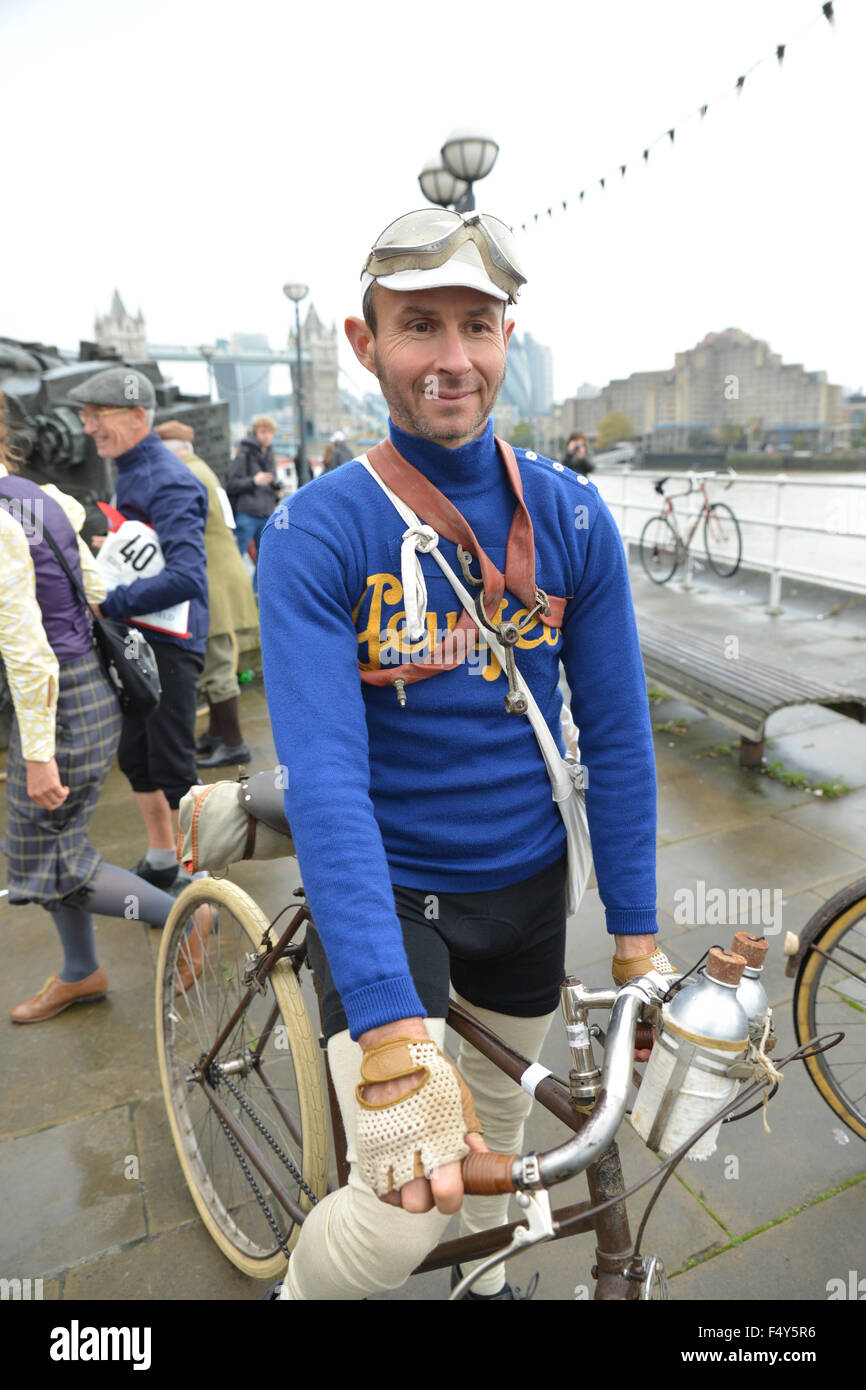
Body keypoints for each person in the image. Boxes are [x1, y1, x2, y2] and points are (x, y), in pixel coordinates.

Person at [257, 208, 664, 1302]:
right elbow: (328, 777)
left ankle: (483, 1287)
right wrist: (390, 1027)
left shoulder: (573, 515)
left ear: (506, 334)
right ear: (363, 341)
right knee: (400, 1211)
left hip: (529, 887)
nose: (451, 359)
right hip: (391, 893)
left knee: (501, 1135)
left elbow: (616, 735)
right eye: (418, 326)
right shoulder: (313, 530)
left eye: (475, 327)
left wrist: (635, 939)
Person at [0, 398, 209, 1022]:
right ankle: (80, 971)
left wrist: (38, 756)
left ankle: (184, 917)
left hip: (55, 704)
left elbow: (29, 651)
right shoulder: (44, 500)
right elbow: (94, 594)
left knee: (51, 858)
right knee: (51, 848)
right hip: (81, 691)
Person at [65, 368, 209, 894]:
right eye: (86, 416)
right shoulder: (130, 471)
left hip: (166, 644)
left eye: (96, 416)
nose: (87, 427)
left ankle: (200, 881)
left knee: (173, 766)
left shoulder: (165, 479)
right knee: (138, 757)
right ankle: (162, 859)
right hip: (138, 642)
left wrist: (110, 601)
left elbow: (187, 576)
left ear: (136, 416)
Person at [155, 420, 258, 767]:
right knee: (216, 658)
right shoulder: (198, 469)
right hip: (218, 575)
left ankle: (233, 743)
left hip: (212, 579)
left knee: (217, 665)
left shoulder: (187, 476)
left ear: (172, 450)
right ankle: (216, 735)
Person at [226, 415, 279, 590]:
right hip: (247, 513)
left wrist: (275, 489)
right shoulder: (244, 454)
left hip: (266, 513)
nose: (266, 436)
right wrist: (254, 481)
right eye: (263, 432)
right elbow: (231, 484)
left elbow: (269, 481)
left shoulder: (269, 454)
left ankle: (257, 594)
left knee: (265, 558)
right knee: (235, 556)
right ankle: (230, 592)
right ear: (256, 432)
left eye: (270, 432)